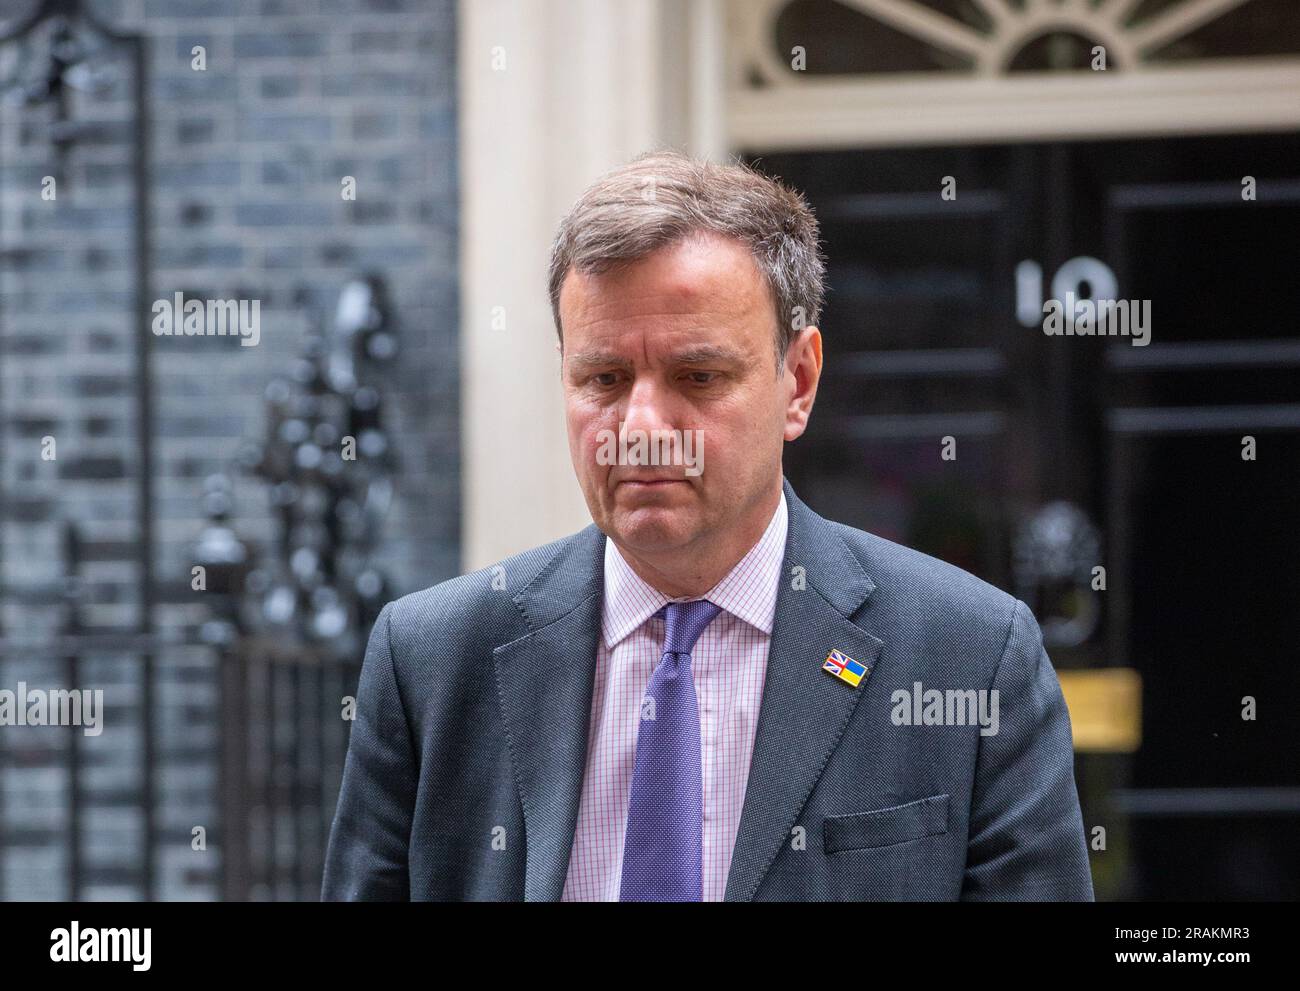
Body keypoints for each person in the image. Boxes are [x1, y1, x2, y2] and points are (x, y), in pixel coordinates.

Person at [321, 150, 1094, 901]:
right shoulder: (431, 663)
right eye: (604, 378)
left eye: (698, 376)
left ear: (799, 381)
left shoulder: (970, 655)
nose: (644, 425)